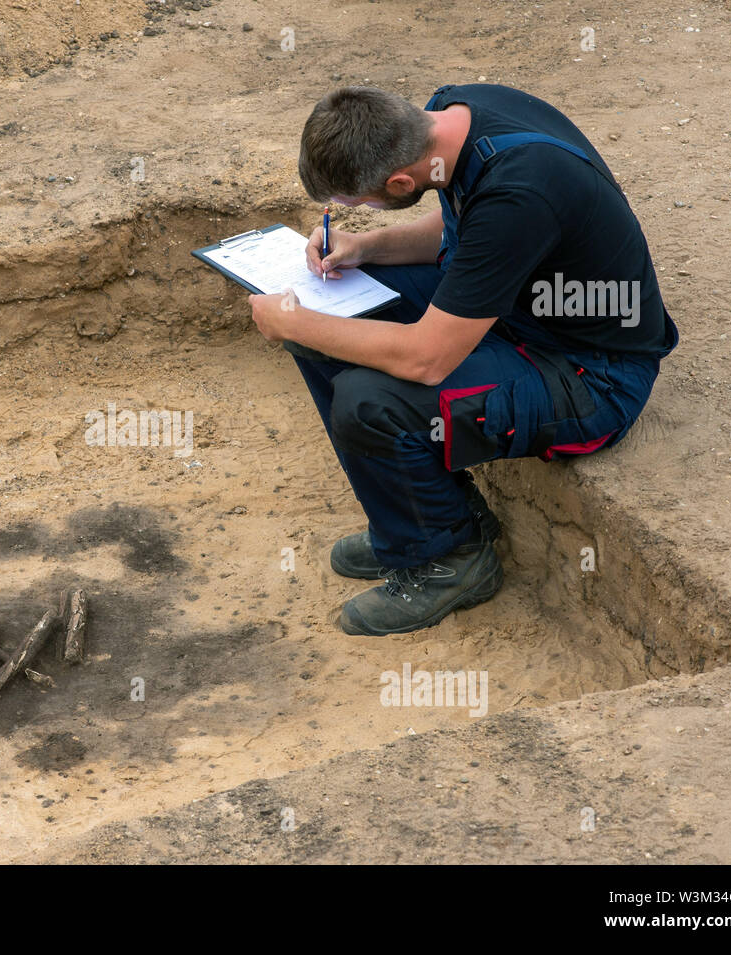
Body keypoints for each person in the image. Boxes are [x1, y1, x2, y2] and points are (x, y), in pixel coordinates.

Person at [247, 84, 678, 636]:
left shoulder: (519, 191)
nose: (351, 213)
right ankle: (416, 526)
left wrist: (290, 322)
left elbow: (426, 361)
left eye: (358, 203)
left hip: (589, 374)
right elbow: (466, 228)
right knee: (325, 320)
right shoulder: (454, 114)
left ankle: (452, 559)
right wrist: (365, 245)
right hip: (522, 313)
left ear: (401, 183)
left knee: (366, 398)